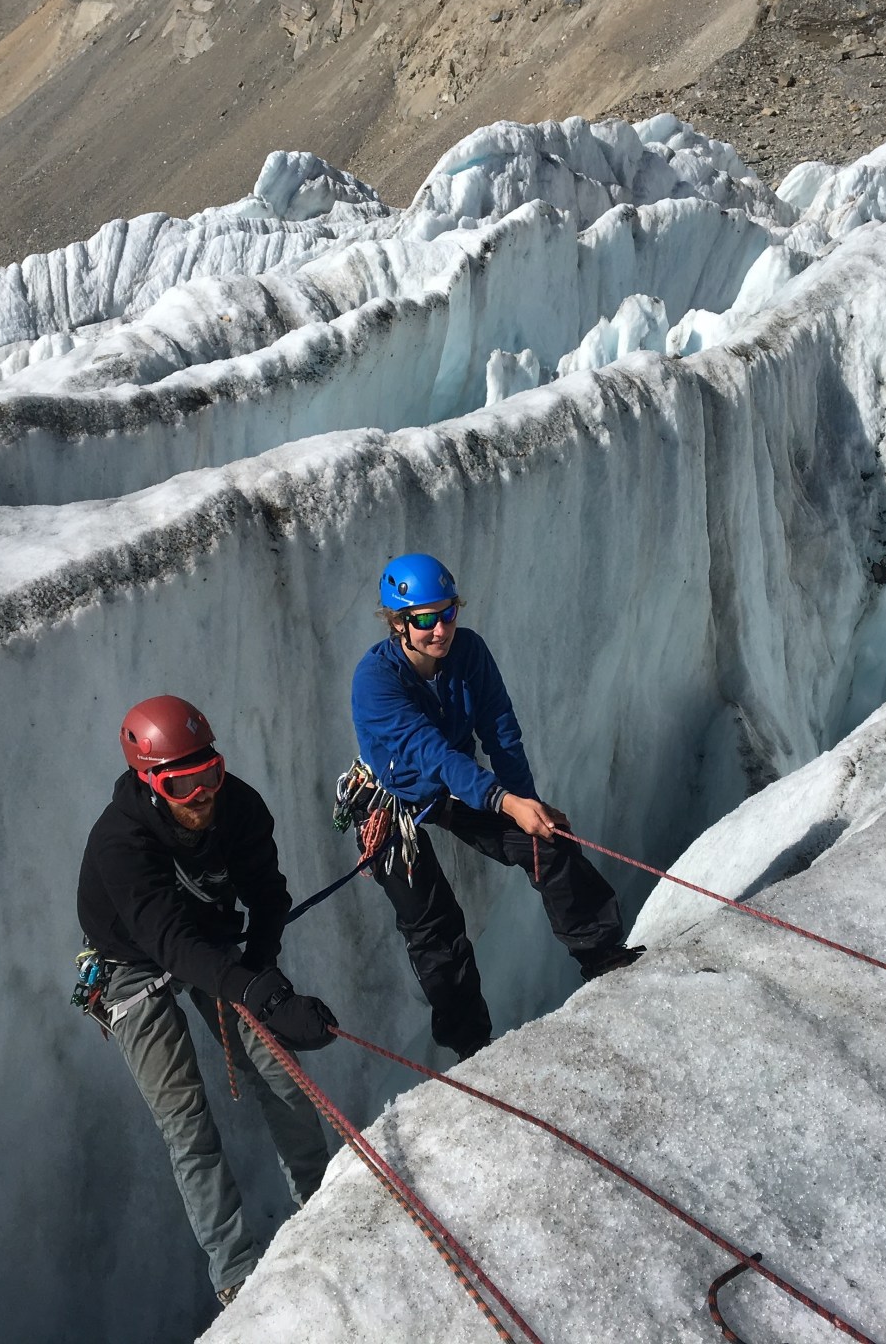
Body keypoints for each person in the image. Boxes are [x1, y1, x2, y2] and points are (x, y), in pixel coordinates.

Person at [76, 695, 337, 1308]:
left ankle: (328, 1201)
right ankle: (236, 1275)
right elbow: (166, 940)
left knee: (278, 1070)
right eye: (182, 782)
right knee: (186, 1120)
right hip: (128, 967)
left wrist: (265, 975)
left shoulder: (237, 806)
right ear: (149, 781)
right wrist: (255, 989)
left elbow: (267, 894)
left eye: (209, 775)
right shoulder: (119, 842)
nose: (201, 795)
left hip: (212, 945)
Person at [346, 552, 642, 1061]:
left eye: (448, 613)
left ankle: (602, 954)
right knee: (434, 927)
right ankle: (472, 1050)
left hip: (462, 782)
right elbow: (428, 752)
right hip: (391, 798)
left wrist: (528, 802)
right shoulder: (375, 681)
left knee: (546, 842)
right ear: (398, 623)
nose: (440, 629)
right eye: (424, 619)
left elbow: (501, 730)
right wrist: (504, 800)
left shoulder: (470, 652)